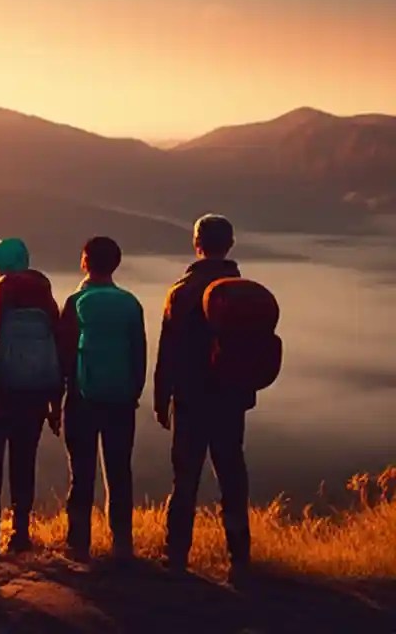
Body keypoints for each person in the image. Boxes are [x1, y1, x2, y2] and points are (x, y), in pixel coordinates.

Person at [155, 214, 254, 579]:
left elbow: (168, 350)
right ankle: (239, 559)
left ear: (196, 242)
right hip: (230, 398)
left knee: (185, 477)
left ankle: (176, 556)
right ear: (229, 244)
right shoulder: (242, 290)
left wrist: (160, 396)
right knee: (232, 474)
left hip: (190, 398)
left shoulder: (181, 290)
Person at [58, 237, 146, 562]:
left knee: (81, 473)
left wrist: (58, 400)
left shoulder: (75, 302)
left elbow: (65, 355)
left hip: (81, 399)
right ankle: (121, 543)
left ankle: (78, 545)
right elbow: (139, 353)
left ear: (84, 261)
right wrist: (133, 392)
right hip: (121, 400)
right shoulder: (130, 303)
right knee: (119, 471)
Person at [0, 237, 63, 559]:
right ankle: (21, 532)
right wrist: (56, 400)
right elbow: (57, 344)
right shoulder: (43, 293)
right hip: (35, 392)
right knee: (24, 461)